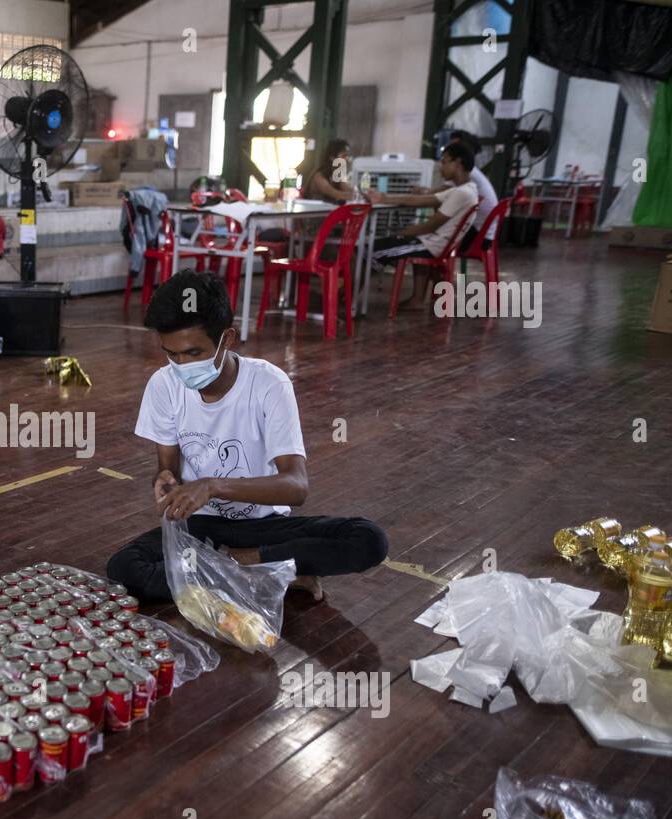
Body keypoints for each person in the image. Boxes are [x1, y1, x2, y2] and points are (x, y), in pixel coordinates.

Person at [105, 270, 388, 604]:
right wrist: (165, 480)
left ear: (227, 339)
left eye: (194, 353)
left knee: (368, 539)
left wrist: (212, 486)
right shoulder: (163, 385)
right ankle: (263, 571)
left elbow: (296, 486)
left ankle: (241, 566)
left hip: (264, 526)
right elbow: (167, 469)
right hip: (203, 528)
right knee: (124, 567)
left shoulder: (269, 384)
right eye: (172, 354)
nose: (181, 365)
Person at [367, 141, 479, 311]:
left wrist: (402, 233)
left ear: (458, 163)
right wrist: (384, 198)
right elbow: (422, 200)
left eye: (444, 162)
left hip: (431, 244)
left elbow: (431, 226)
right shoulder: (465, 189)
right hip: (435, 243)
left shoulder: (462, 193)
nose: (441, 167)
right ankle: (417, 299)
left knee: (371, 250)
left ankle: (349, 299)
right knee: (384, 244)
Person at [431, 130, 498, 252]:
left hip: (477, 236)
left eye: (455, 147)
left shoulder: (465, 174)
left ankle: (447, 267)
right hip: (482, 233)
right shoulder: (471, 172)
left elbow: (436, 195)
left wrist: (419, 194)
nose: (449, 149)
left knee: (432, 241)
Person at [305, 138, 355, 204]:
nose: (347, 159)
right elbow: (336, 194)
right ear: (332, 158)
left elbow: (349, 189)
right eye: (344, 156)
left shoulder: (336, 175)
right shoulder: (319, 176)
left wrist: (362, 194)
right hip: (314, 210)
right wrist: (358, 196)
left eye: (348, 156)